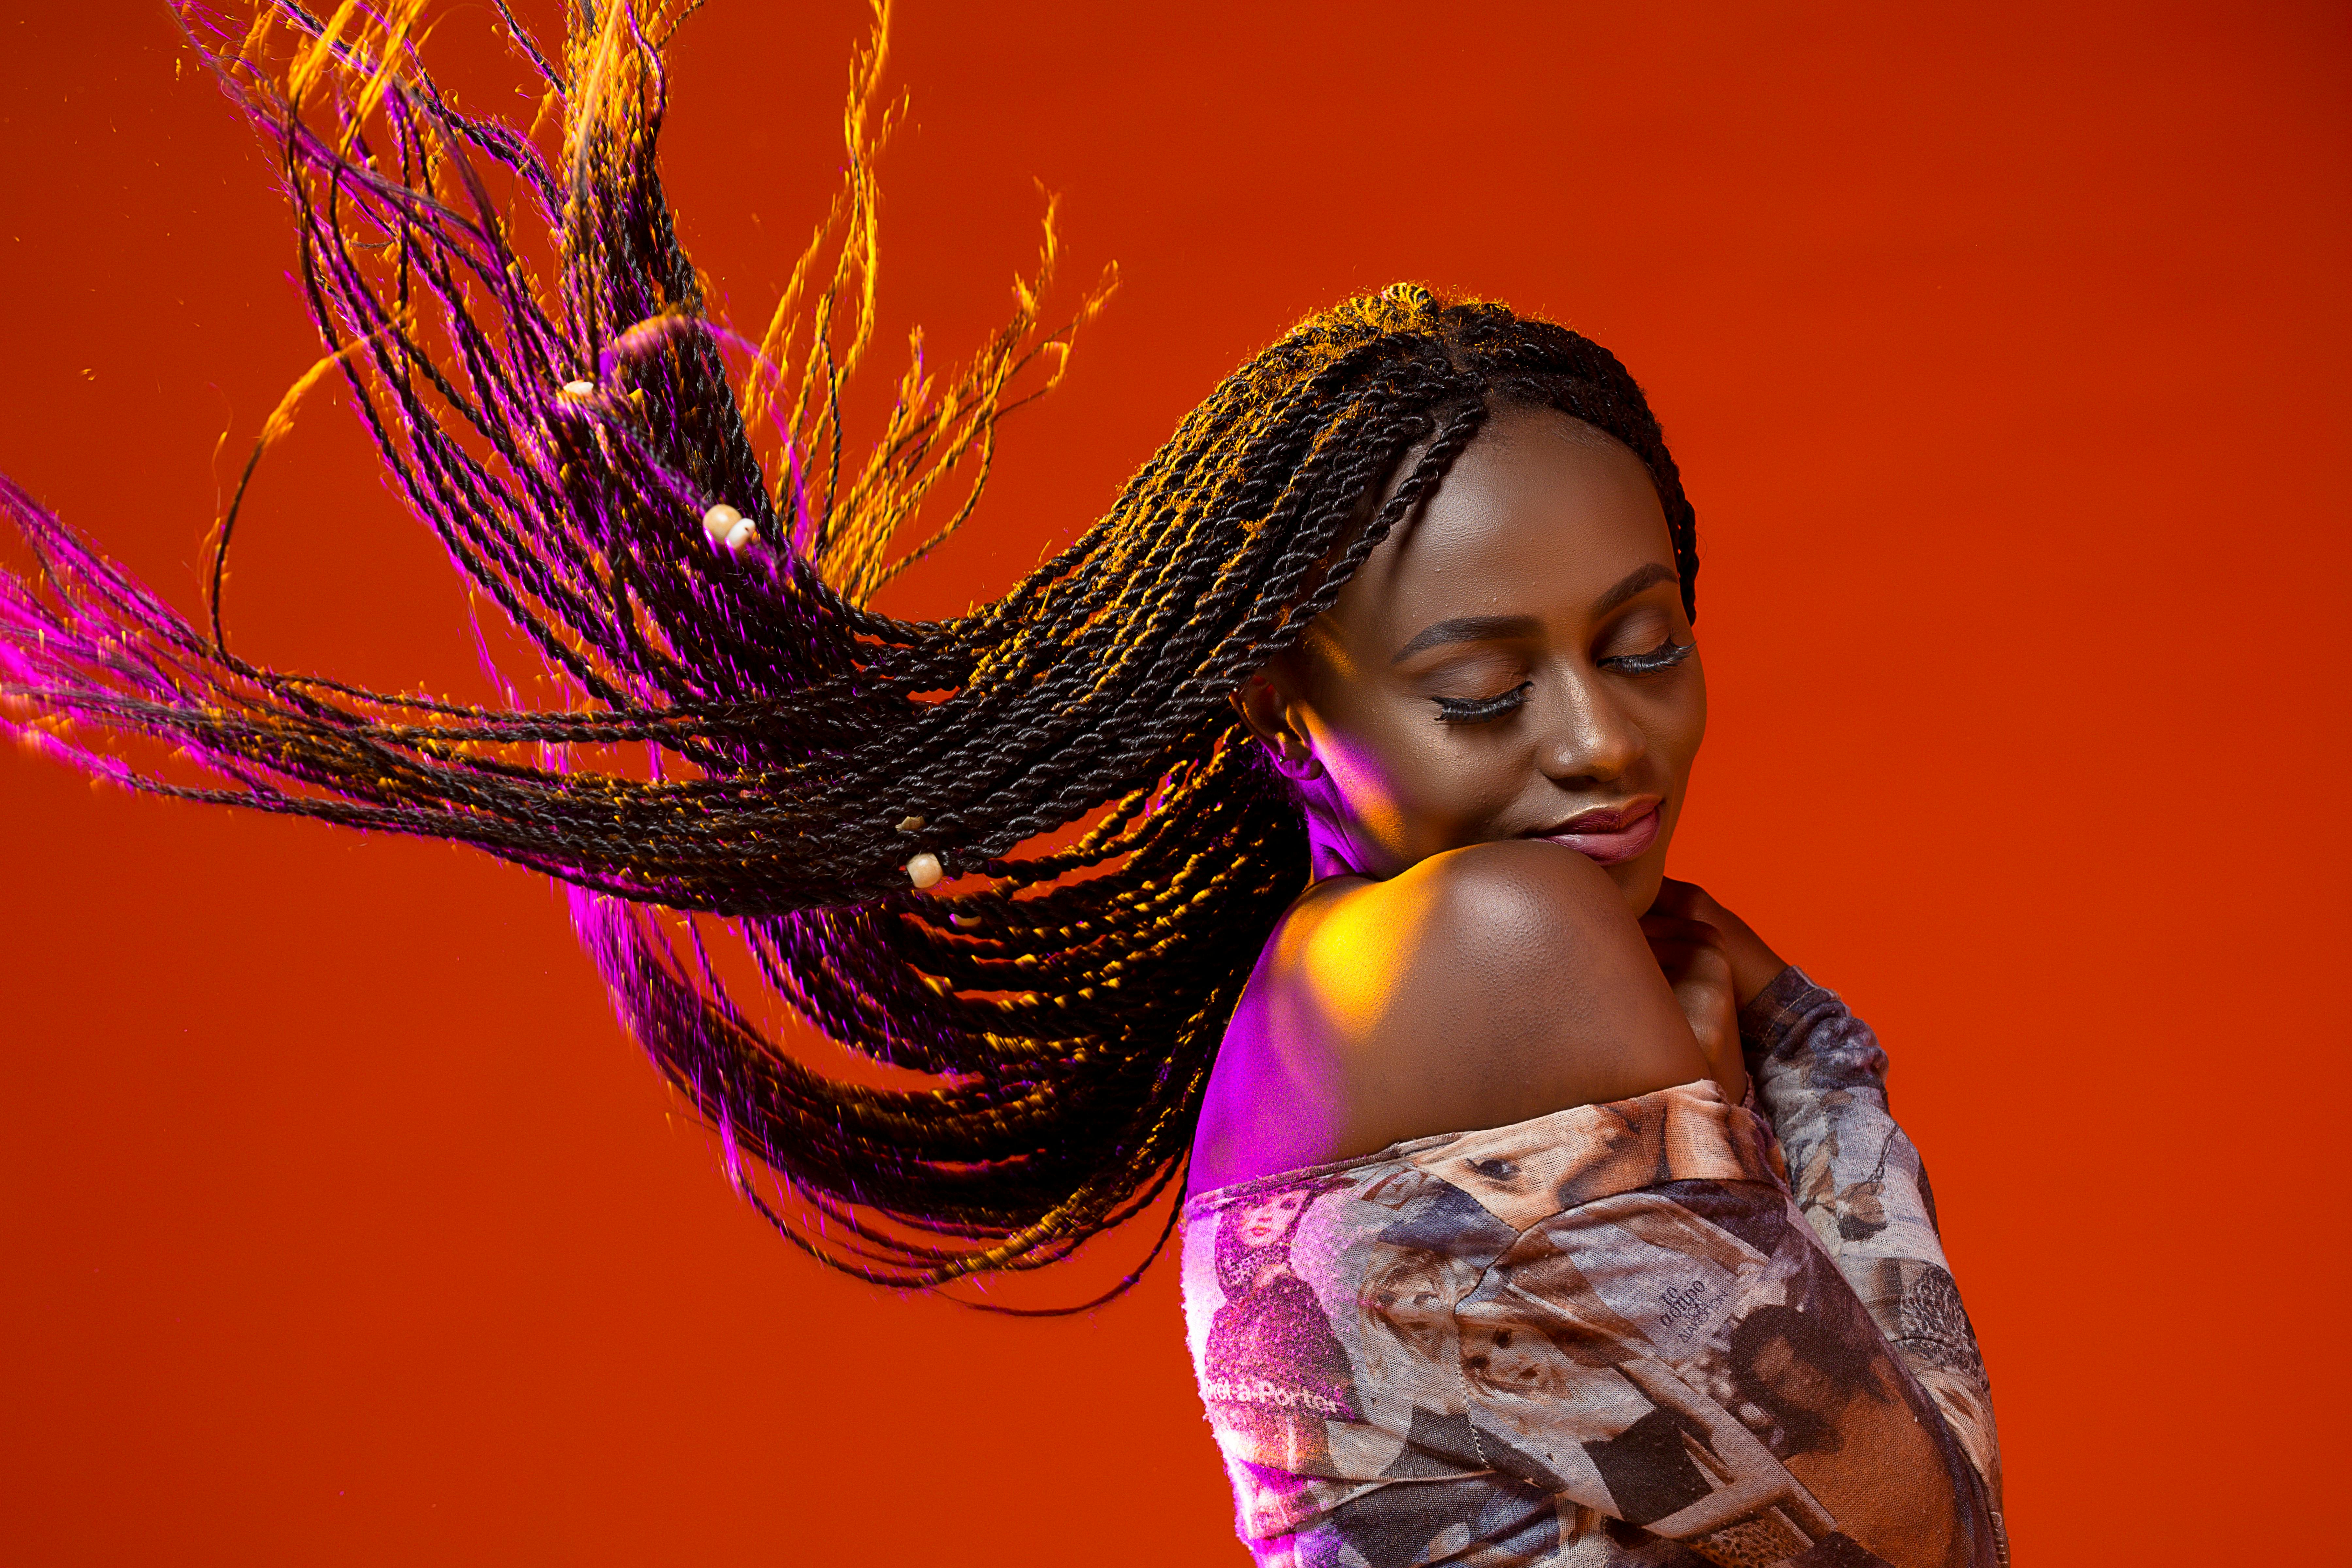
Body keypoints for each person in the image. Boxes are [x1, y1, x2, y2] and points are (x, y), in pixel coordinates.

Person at [0, 2, 2005, 1562]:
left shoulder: (1323, 997)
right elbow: (1930, 1533)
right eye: (1487, 685)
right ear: (1274, 713)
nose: (1601, 739)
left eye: (1645, 642)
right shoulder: (1509, 939)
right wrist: (1775, 1046)